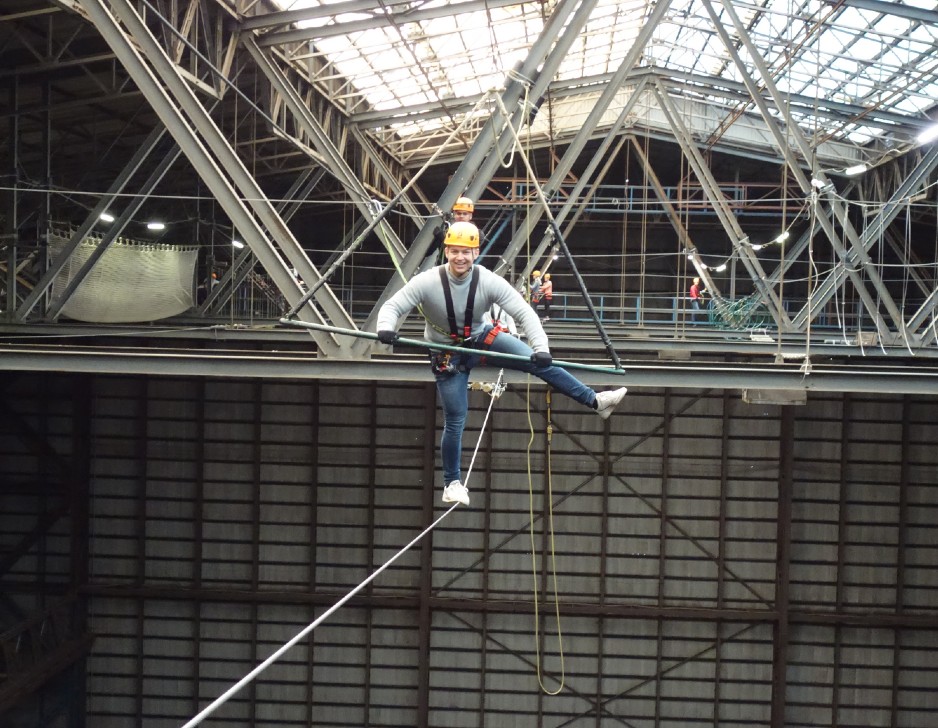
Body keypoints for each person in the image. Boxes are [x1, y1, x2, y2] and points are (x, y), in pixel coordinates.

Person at [376, 222, 628, 507]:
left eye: (467, 252)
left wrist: (541, 348)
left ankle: (595, 401)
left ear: (476, 253)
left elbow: (524, 313)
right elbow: (392, 306)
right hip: (446, 353)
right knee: (456, 418)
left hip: (482, 338)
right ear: (447, 251)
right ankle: (451, 483)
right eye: (456, 251)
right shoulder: (427, 281)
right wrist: (386, 328)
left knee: (537, 364)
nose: (461, 257)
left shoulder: (488, 281)